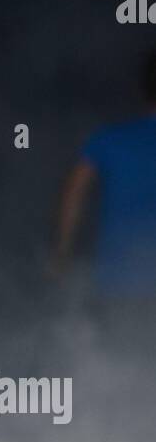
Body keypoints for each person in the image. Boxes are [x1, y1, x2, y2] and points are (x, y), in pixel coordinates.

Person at [50, 47, 156, 339]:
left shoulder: (108, 140)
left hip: (118, 283)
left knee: (118, 371)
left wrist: (62, 253)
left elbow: (74, 192)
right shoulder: (105, 141)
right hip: (121, 283)